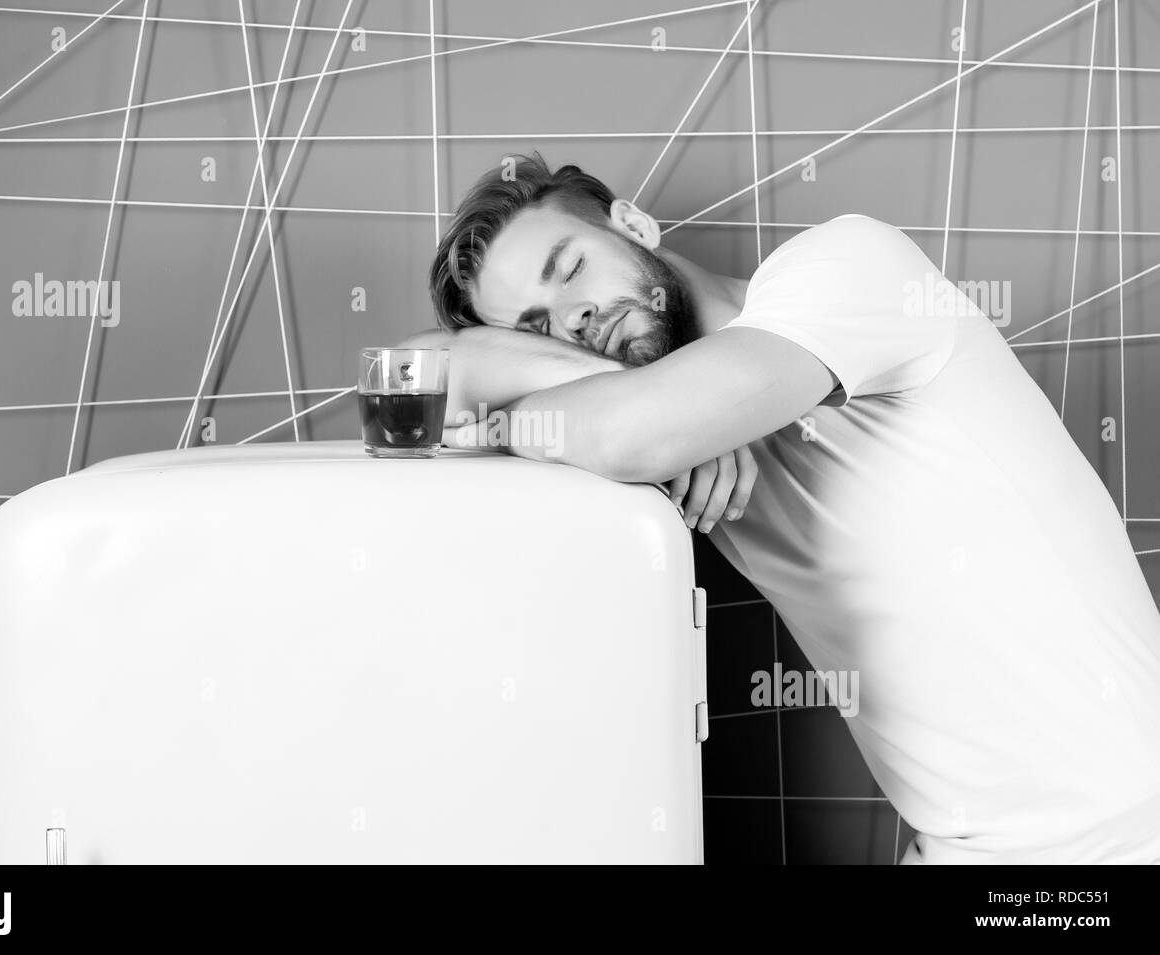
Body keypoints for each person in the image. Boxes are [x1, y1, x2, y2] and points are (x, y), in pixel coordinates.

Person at [398, 153, 1160, 863]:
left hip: (1114, 837)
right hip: (965, 845)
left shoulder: (849, 266)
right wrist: (626, 399)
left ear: (633, 226)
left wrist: (636, 415)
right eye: (533, 328)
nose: (571, 318)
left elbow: (639, 429)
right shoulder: (662, 428)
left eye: (569, 271)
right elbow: (426, 366)